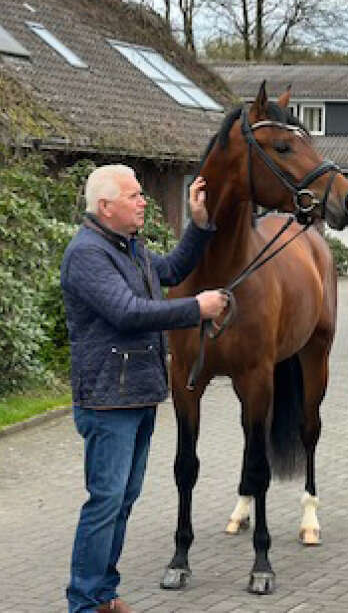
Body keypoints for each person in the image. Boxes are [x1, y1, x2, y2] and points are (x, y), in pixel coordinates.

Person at [60, 164, 228, 613]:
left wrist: (199, 224)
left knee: (123, 499)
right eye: (133, 195)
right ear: (104, 206)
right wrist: (198, 308)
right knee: (105, 501)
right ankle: (84, 601)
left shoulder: (129, 249)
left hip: (138, 393)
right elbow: (129, 312)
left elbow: (171, 269)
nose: (142, 202)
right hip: (107, 400)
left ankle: (103, 594)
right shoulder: (88, 254)